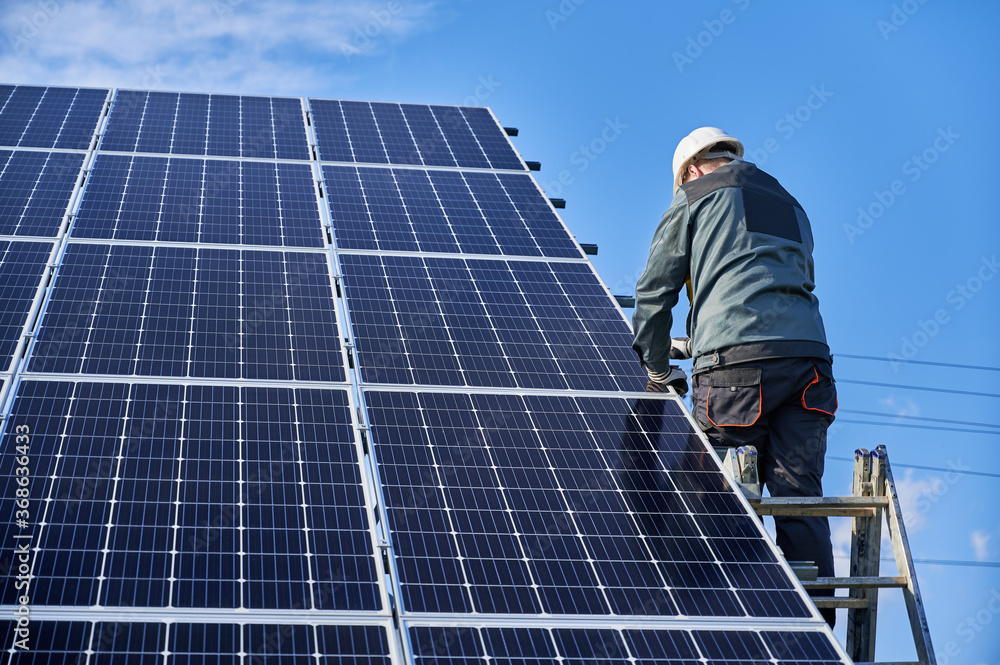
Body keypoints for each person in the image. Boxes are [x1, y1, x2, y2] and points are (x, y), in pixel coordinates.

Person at [631, 127, 838, 627]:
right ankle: (819, 633)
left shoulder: (695, 195)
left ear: (691, 170)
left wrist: (658, 366)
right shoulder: (788, 201)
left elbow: (654, 292)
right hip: (809, 363)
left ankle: (726, 624)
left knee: (716, 494)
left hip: (736, 369)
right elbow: (762, 280)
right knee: (799, 497)